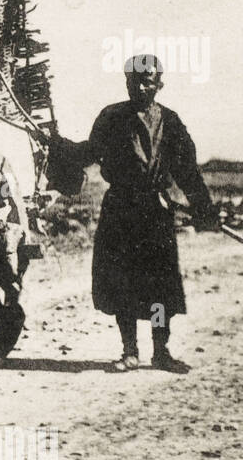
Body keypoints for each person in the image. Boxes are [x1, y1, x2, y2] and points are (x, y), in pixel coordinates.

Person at [77, 54, 220, 373]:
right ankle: (129, 350)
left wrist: (204, 210)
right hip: (120, 210)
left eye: (147, 80)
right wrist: (59, 149)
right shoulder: (111, 117)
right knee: (121, 282)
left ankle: (160, 350)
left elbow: (187, 171)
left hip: (156, 213)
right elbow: (88, 152)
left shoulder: (170, 122)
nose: (139, 86)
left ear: (160, 84)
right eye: (133, 80)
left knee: (158, 287)